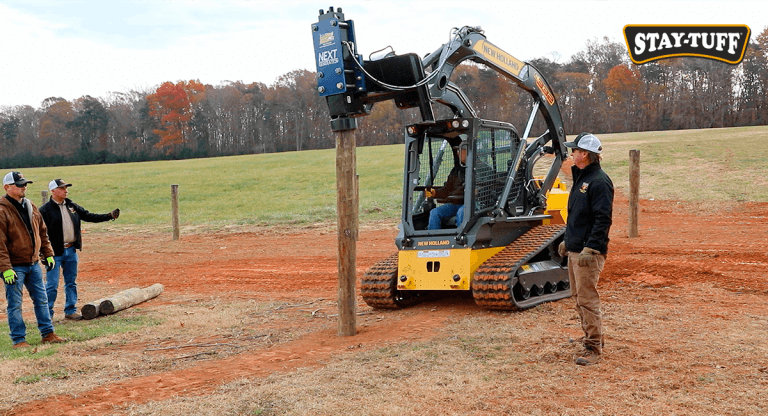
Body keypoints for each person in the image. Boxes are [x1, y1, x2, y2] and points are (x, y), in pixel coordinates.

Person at [558, 133, 614, 366]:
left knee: (587, 300)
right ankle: (591, 338)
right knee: (578, 298)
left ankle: (593, 347)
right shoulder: (582, 178)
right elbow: (577, 217)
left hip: (587, 252)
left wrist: (590, 248)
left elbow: (602, 219)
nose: (572, 154)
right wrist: (568, 241)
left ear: (585, 155)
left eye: (575, 151)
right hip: (576, 249)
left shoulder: (599, 181)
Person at [0, 171, 65, 348]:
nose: (23, 187)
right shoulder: (1, 210)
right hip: (14, 267)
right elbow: (0, 244)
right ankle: (19, 339)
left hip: (33, 263)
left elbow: (42, 233)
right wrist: (5, 268)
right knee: (15, 304)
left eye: (24, 183)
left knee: (42, 299)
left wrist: (49, 254)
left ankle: (48, 333)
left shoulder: (30, 206)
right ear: (7, 187)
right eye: (19, 184)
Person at [40, 179, 119, 321]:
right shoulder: (44, 210)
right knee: (51, 285)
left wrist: (108, 216)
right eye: (62, 188)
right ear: (53, 191)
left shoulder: (72, 206)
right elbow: (39, 233)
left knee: (71, 282)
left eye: (66, 187)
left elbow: (89, 216)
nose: (66, 190)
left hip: (71, 250)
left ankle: (70, 310)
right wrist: (44, 254)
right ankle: (47, 314)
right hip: (53, 253)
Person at [425, 145, 467, 230]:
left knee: (461, 212)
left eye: (460, 151)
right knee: (434, 213)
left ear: (468, 151)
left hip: (473, 205)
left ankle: (461, 239)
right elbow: (447, 189)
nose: (458, 153)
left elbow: (484, 189)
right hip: (456, 203)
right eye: (457, 151)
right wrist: (435, 193)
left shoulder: (481, 168)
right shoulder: (456, 171)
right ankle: (433, 240)